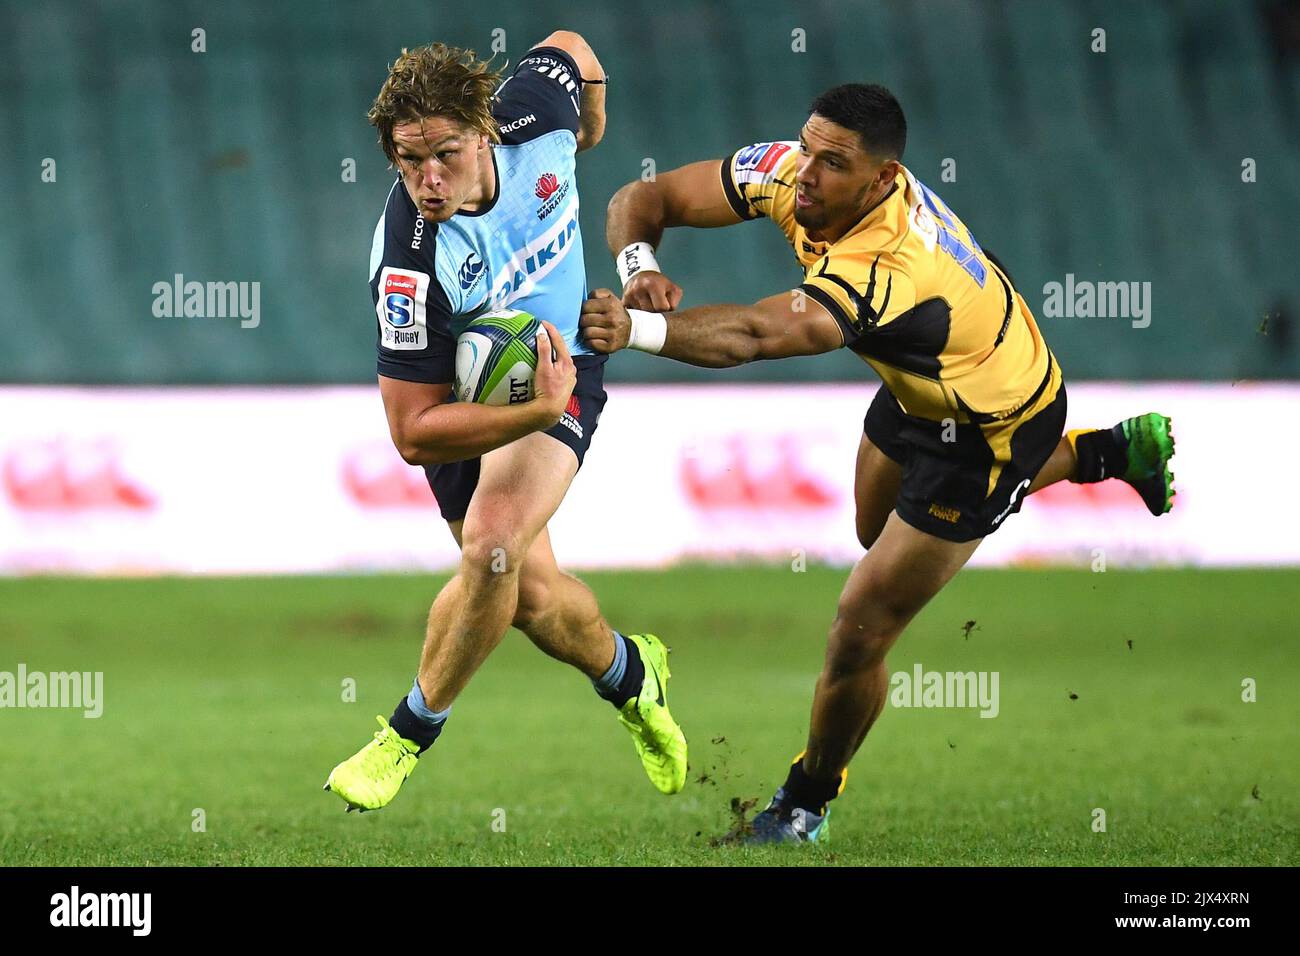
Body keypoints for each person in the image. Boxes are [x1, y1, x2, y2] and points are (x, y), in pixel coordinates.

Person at [582, 83, 1174, 844]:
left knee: (860, 629)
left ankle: (805, 803)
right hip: (924, 380)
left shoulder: (890, 265)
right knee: (872, 531)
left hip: (994, 422)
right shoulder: (792, 172)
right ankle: (1112, 452)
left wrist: (634, 330)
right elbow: (649, 194)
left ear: (883, 179)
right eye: (809, 149)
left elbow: (765, 334)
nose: (807, 175)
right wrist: (638, 264)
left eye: (834, 164)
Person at [324, 35, 687, 813]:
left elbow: (571, 47)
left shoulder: (538, 117)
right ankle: (632, 674)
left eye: (445, 153)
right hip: (474, 399)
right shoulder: (408, 261)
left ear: (485, 131)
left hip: (562, 361)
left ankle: (405, 735)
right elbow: (414, 432)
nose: (427, 178)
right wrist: (533, 408)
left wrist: (591, 125)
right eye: (406, 158)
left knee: (492, 548)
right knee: (527, 595)